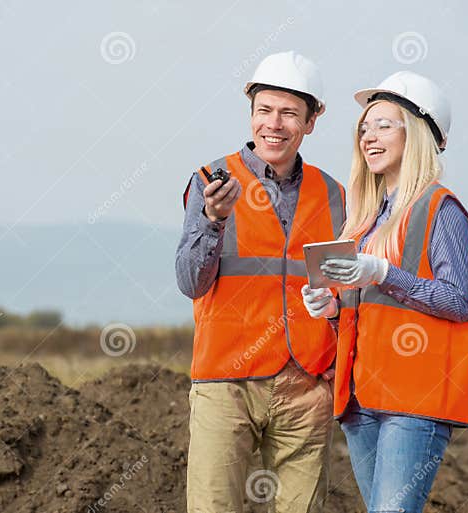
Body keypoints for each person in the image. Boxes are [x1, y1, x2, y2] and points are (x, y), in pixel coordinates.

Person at [301, 70, 468, 513]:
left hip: (413, 402)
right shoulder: (364, 219)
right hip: (362, 401)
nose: (369, 136)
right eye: (364, 127)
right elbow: (369, 309)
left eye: (384, 124)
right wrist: (330, 308)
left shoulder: (442, 209)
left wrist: (384, 271)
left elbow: (458, 302)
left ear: (418, 133)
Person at [176, 51, 346, 513]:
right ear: (250, 113)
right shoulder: (212, 180)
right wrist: (213, 219)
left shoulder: (333, 194)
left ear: (312, 120)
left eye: (290, 113)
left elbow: (342, 290)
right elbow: (191, 281)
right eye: (264, 111)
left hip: (305, 384)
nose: (275, 124)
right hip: (225, 381)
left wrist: (336, 355)